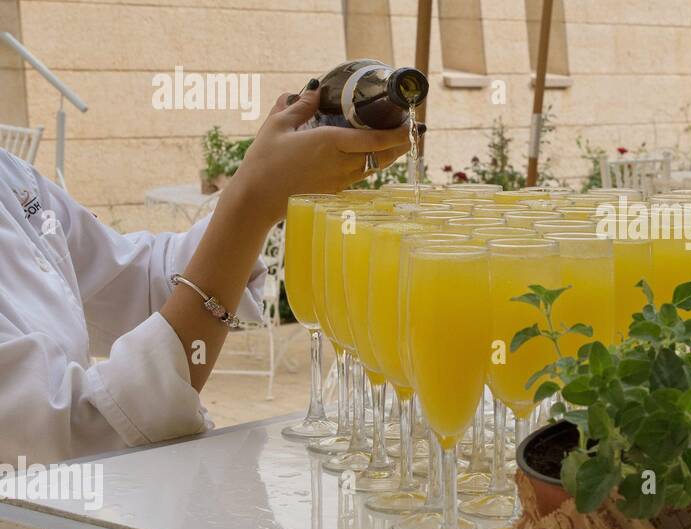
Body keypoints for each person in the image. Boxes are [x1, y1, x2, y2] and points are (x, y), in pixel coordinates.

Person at [0, 83, 409, 465]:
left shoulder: (9, 175)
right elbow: (69, 436)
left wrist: (263, 180)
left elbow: (138, 283)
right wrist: (250, 206)